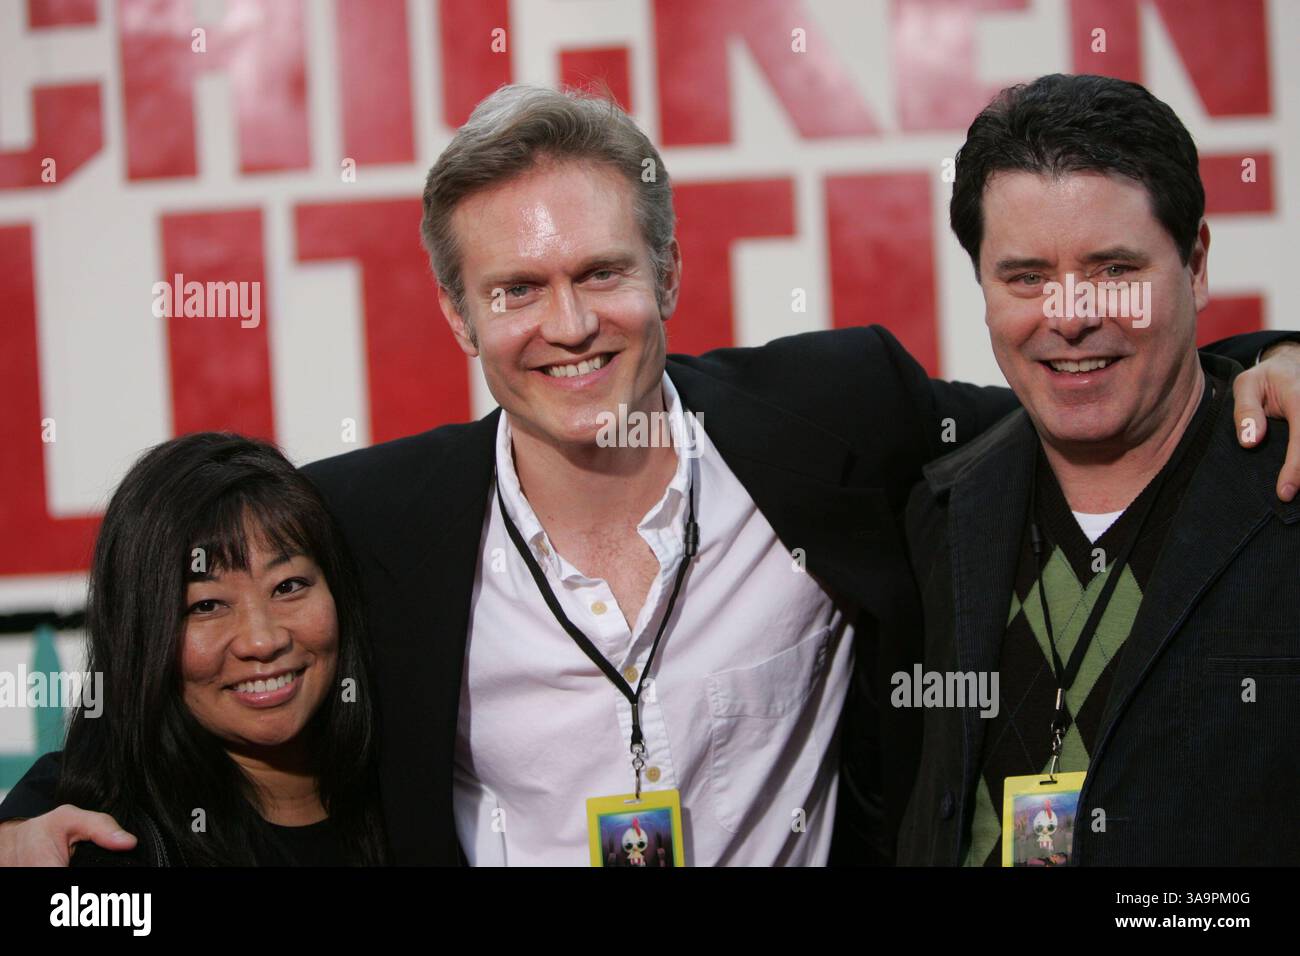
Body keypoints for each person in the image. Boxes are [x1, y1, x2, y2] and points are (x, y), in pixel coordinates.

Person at [3, 84, 1298, 867]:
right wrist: (45, 803)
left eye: (602, 275)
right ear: (460, 316)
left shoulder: (826, 421)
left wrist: (1268, 358)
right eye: (518, 288)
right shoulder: (384, 521)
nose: (566, 324)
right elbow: (220, 637)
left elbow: (1078, 389)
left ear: (667, 277)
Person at [895, 74, 1300, 865]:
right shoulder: (937, 513)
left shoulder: (1286, 487)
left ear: (1197, 263)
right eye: (1027, 278)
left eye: (1114, 270)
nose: (1070, 316)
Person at [5, 433, 386, 866]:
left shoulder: (424, 790)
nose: (262, 639)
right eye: (206, 605)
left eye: (288, 586)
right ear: (142, 634)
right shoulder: (109, 847)